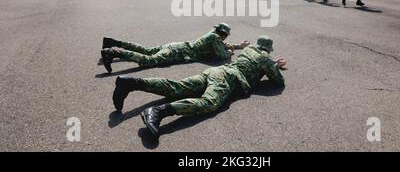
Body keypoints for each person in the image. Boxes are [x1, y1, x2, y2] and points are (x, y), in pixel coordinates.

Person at [111, 36, 287, 141]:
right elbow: (278, 81)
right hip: (228, 78)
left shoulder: (248, 50)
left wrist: (270, 65)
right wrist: (273, 66)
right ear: (268, 49)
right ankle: (158, 112)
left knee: (177, 87)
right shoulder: (265, 57)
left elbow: (252, 62)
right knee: (210, 103)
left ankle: (131, 83)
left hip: (216, 71)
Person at [100, 23, 250, 73]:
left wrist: (239, 46)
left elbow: (223, 46)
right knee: (149, 61)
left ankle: (113, 42)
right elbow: (223, 55)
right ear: (223, 34)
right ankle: (113, 52)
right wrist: (231, 52)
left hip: (175, 45)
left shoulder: (212, 35)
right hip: (177, 52)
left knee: (146, 51)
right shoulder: (216, 38)